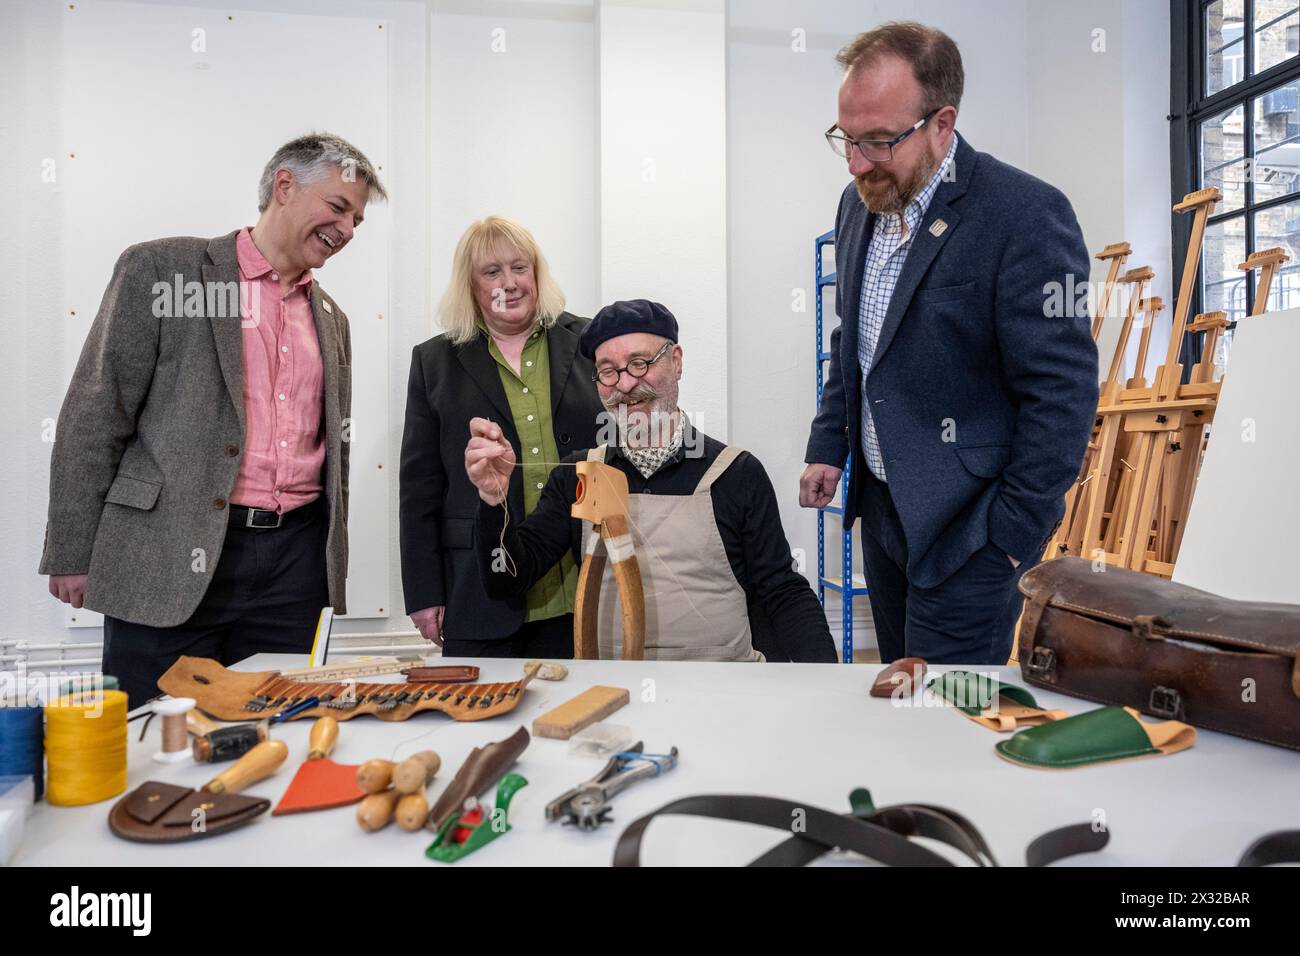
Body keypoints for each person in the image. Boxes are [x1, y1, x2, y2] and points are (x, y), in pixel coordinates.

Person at [40, 132, 385, 707]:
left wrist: (328, 573)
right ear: (284, 186)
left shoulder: (332, 319)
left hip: (293, 570)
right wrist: (71, 552)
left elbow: (333, 454)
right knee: (155, 743)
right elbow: (96, 413)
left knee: (276, 735)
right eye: (338, 207)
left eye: (357, 221)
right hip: (166, 555)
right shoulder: (163, 269)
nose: (347, 230)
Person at [799, 22, 1097, 664]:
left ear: (942, 123)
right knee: (899, 699)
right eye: (846, 139)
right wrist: (830, 443)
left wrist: (1010, 537)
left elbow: (1062, 394)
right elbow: (856, 337)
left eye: (878, 142)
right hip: (882, 515)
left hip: (972, 534)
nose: (856, 163)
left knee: (948, 724)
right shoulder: (858, 205)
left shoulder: (1024, 214)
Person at [466, 299, 837, 663]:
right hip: (612, 692)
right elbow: (507, 577)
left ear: (676, 362)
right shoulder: (578, 475)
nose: (625, 385)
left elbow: (783, 590)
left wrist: (824, 685)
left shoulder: (735, 473)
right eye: (608, 371)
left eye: (639, 364)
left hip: (723, 693)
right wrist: (493, 499)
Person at [400, 217, 604, 658]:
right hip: (476, 586)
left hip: (583, 582)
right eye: (491, 272)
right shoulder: (433, 362)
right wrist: (423, 591)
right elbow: (419, 488)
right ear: (470, 286)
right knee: (481, 723)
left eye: (519, 268)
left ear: (536, 273)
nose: (508, 283)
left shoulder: (590, 341)